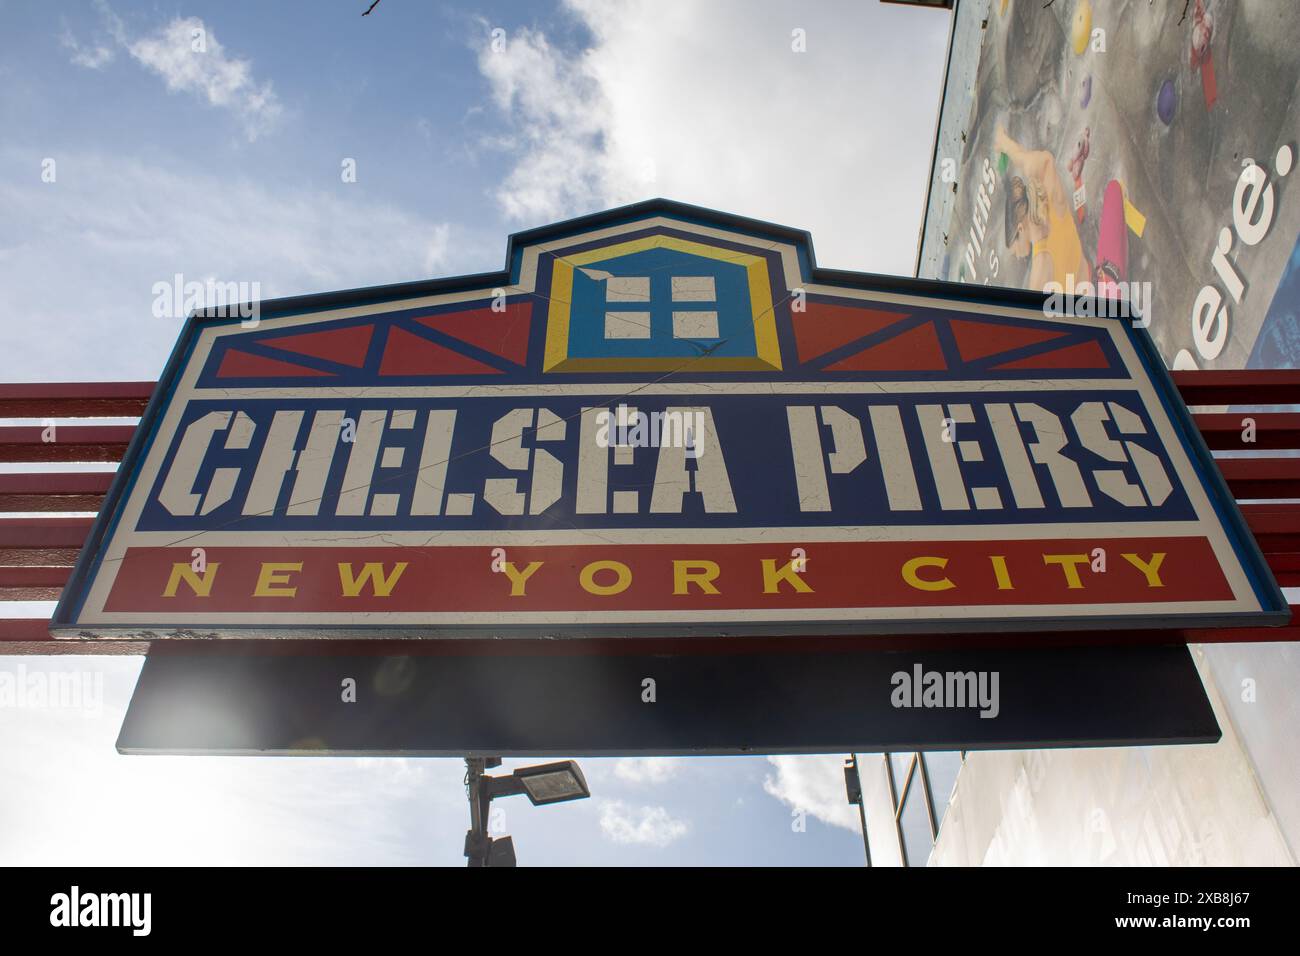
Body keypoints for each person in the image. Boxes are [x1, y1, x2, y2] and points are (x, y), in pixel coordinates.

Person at [995, 125, 1092, 292]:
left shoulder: (1039, 272)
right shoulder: (1054, 203)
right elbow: (1041, 161)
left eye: (1014, 247)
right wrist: (1006, 144)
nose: (1016, 254)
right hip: (1094, 277)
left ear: (1020, 227)